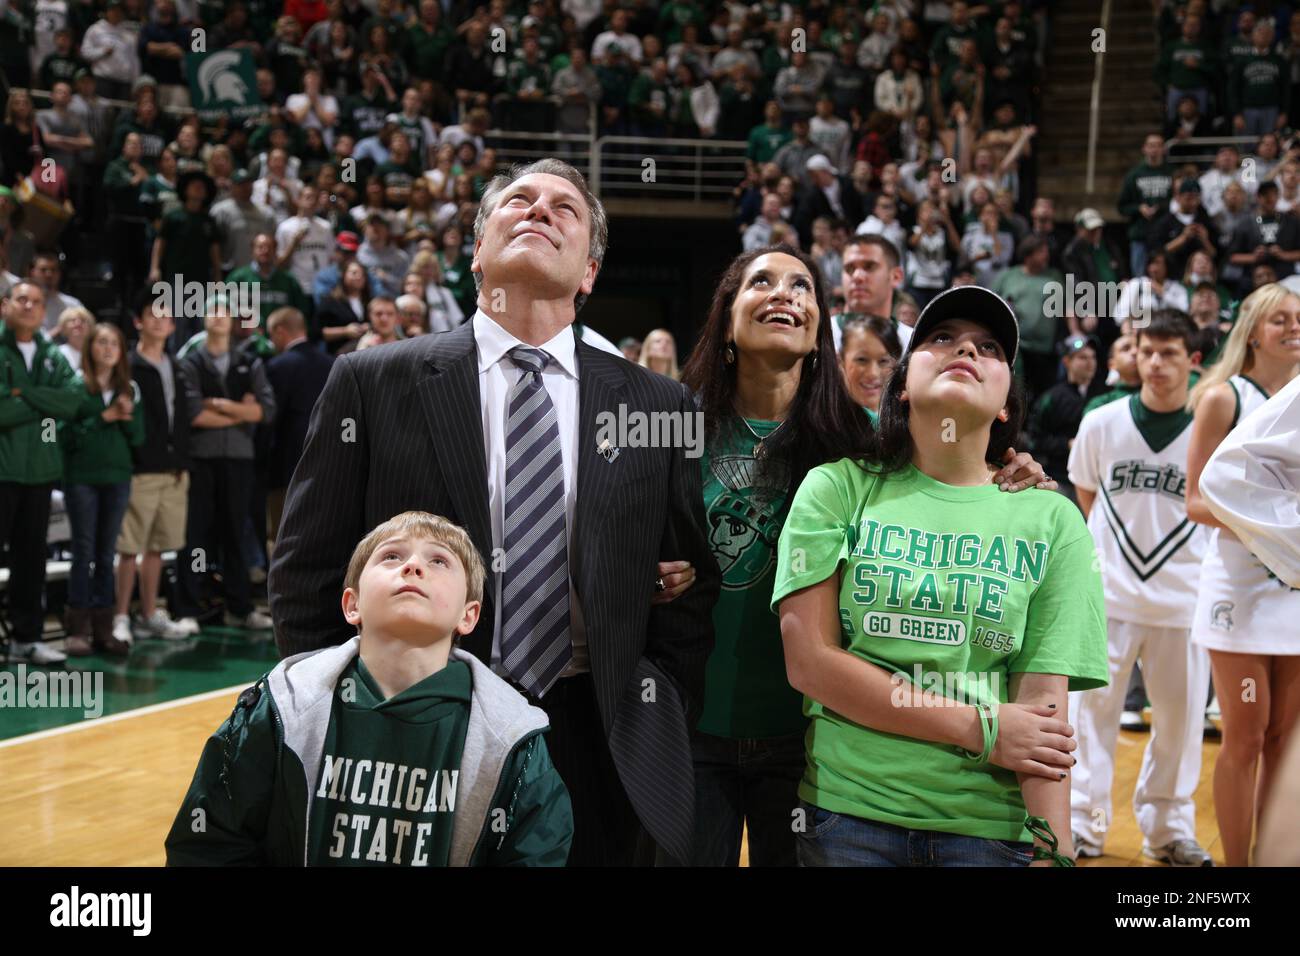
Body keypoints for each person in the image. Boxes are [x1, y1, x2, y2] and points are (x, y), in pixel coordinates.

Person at [269, 158, 722, 867]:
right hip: (418, 721)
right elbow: (308, 573)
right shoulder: (371, 381)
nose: (541, 211)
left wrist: (658, 708)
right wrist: (342, 712)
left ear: (591, 272)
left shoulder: (658, 407)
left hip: (601, 730)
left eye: (565, 208)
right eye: (520, 200)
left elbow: (691, 589)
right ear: (478, 252)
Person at [773, 285, 1108, 867]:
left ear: (1006, 403)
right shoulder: (837, 488)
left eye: (989, 348)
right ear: (902, 386)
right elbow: (810, 662)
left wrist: (1056, 855)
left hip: (990, 829)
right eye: (942, 338)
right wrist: (981, 727)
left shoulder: (1053, 519)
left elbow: (1042, 717)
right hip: (848, 816)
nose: (967, 352)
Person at [166, 510, 573, 865]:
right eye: (392, 556)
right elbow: (209, 844)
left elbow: (535, 854)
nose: (413, 567)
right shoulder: (283, 707)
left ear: (468, 616)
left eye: (439, 561)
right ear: (352, 605)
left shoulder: (511, 738)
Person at [1067, 310, 1214, 866]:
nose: (1154, 363)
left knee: (1179, 728)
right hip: (1109, 599)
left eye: (1169, 353)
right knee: (1092, 723)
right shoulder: (1102, 422)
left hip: (1185, 599)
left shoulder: (1211, 426)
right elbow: (1086, 494)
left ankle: (1169, 830)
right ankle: (1085, 824)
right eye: (1145, 350)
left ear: (1193, 361)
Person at [1185, 283, 1300, 866]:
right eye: (1280, 319)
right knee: (1246, 735)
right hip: (1241, 588)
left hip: (1295, 588)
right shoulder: (1224, 397)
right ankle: (1235, 873)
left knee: (1285, 736)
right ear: (1253, 330)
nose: (1294, 328)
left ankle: (1276, 860)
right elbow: (1196, 501)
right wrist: (1275, 528)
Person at [174, 294, 276, 631]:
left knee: (236, 533)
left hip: (238, 460)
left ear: (233, 321)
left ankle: (240, 607)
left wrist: (218, 404)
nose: (218, 318)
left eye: (224, 313)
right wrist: (239, 411)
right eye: (212, 312)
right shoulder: (189, 363)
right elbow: (194, 417)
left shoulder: (250, 362)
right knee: (195, 535)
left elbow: (265, 411)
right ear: (202, 319)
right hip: (201, 459)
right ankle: (189, 606)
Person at [0, 281, 82, 664]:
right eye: (22, 299)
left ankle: (26, 638)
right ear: (5, 306)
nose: (30, 306)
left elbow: (72, 402)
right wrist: (43, 402)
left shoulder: (52, 352)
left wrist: (23, 394)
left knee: (31, 560)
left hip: (41, 472)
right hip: (4, 471)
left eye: (36, 301)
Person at [114, 294, 195, 644]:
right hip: (140, 470)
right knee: (129, 547)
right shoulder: (128, 365)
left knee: (158, 548)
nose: (160, 321)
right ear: (139, 322)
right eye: (153, 315)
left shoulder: (178, 365)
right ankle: (119, 616)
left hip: (175, 469)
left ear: (174, 325)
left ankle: (148, 614)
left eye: (166, 316)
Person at [62, 320, 144, 657]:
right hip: (81, 479)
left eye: (114, 343)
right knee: (83, 552)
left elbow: (139, 439)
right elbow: (64, 437)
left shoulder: (130, 389)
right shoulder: (75, 386)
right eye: (101, 342)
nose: (108, 348)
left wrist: (128, 417)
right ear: (90, 349)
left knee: (106, 552)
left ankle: (104, 629)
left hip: (117, 478)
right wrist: (104, 418)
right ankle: (77, 630)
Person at [264, 307, 333, 550]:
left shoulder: (277, 366)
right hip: (328, 464)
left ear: (280, 332)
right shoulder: (332, 364)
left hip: (286, 466)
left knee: (284, 537)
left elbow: (270, 418)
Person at [1027, 336, 1102, 502]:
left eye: (1093, 357)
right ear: (1067, 361)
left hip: (1097, 480)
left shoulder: (1103, 394)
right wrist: (1066, 444)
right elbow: (1034, 440)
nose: (1090, 362)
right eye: (1083, 358)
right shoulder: (1052, 398)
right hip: (1061, 478)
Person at [838, 314, 900, 418]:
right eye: (862, 360)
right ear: (841, 362)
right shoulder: (822, 422)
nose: (873, 373)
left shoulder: (910, 424)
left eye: (883, 361)